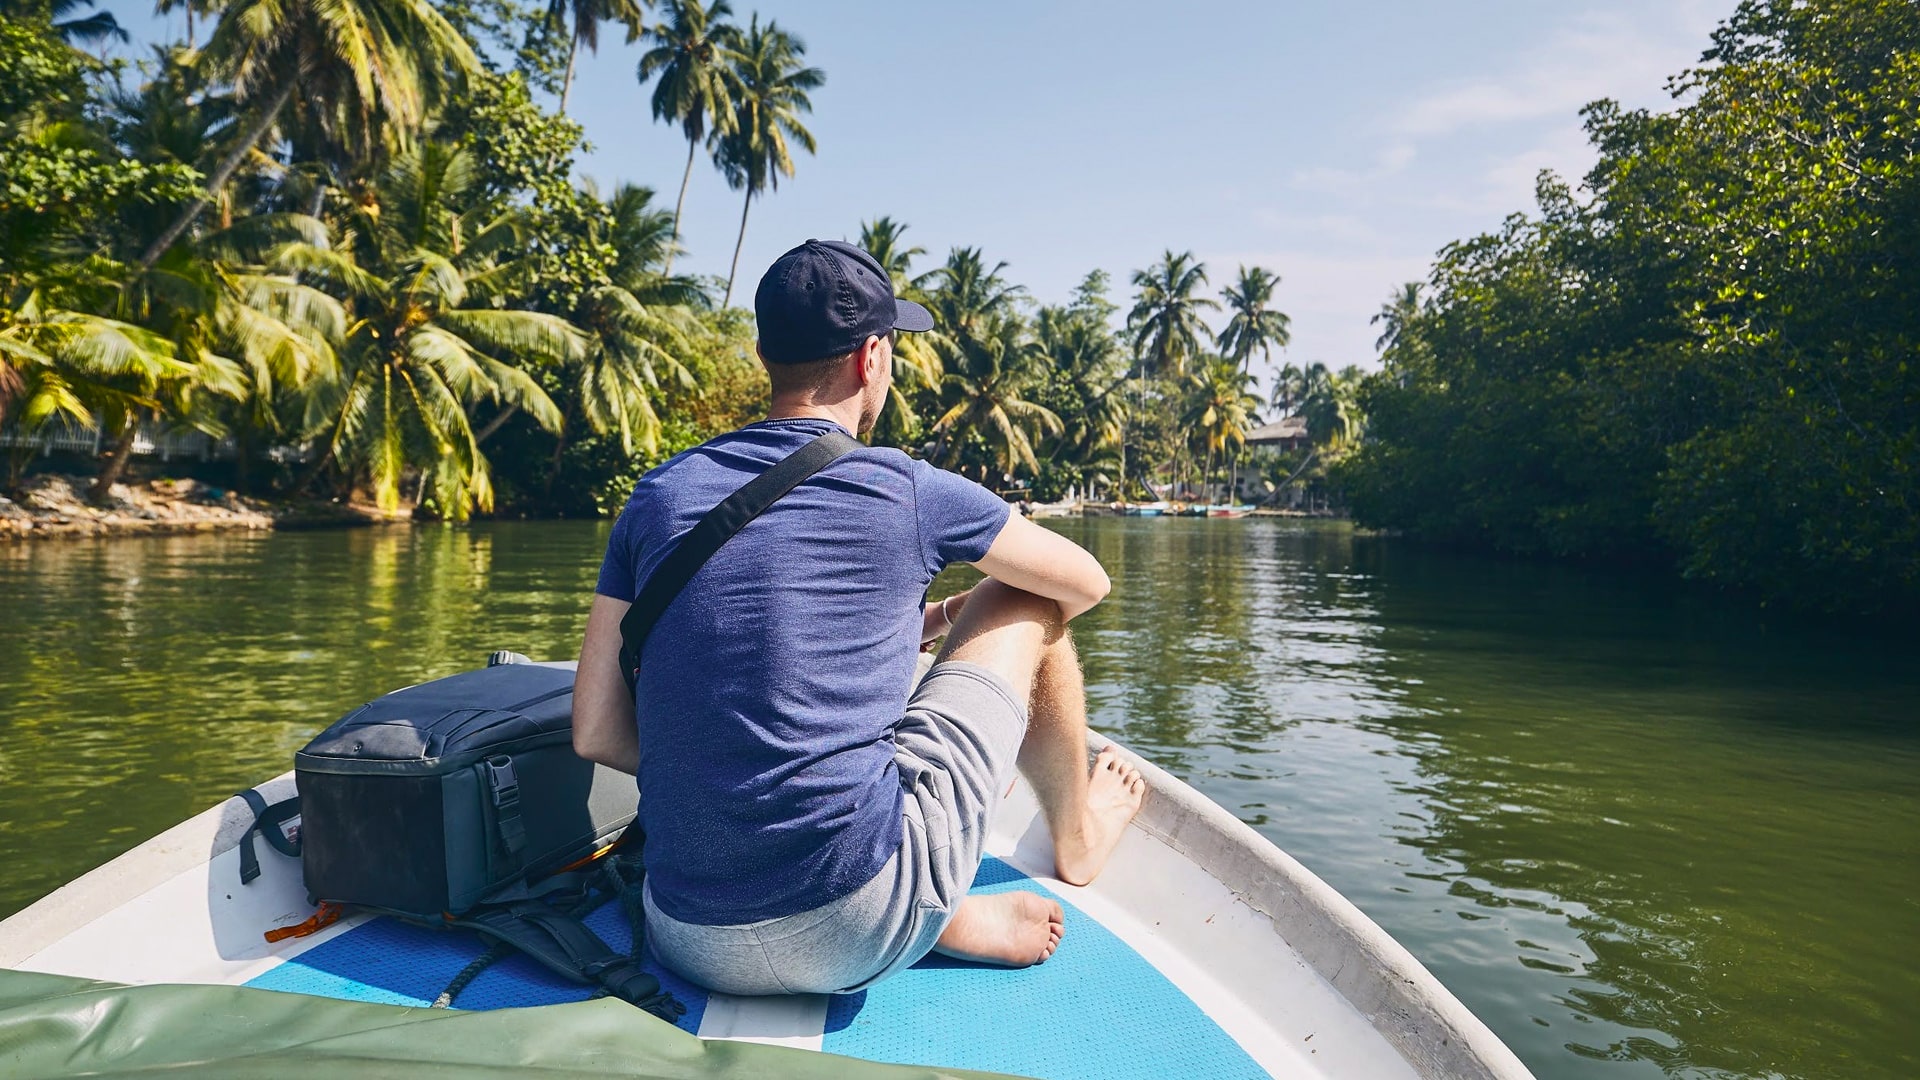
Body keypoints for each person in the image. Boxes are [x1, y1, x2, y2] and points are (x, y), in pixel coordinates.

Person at [571, 239, 1145, 995]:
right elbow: (1086, 584)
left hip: (684, 933)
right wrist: (970, 620)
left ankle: (931, 903)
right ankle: (1073, 838)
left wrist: (931, 618)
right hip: (856, 917)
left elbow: (597, 731)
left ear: (764, 354)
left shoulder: (658, 495)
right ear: (871, 358)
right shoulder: (906, 487)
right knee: (1028, 594)